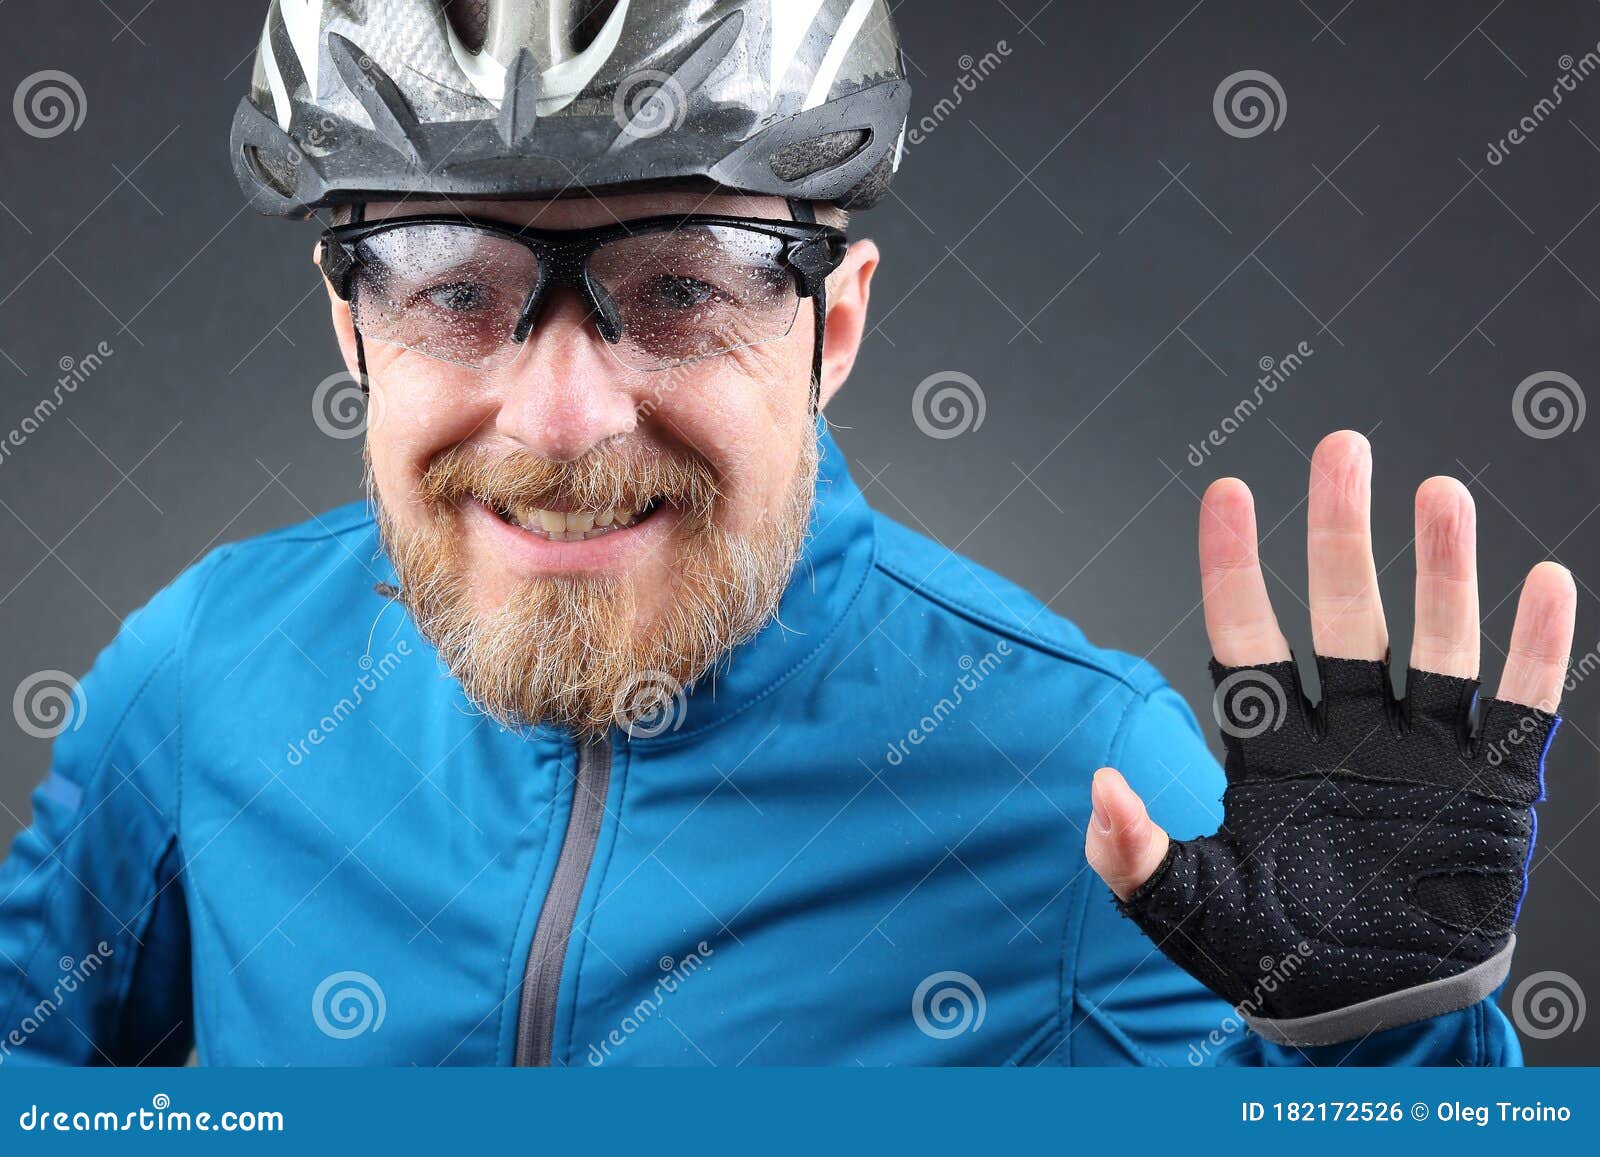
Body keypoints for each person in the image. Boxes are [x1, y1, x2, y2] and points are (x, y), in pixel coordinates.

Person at [0, 0, 1574, 1067]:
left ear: (833, 331)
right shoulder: (203, 671)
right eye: (448, 284)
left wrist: (1394, 1039)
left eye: (681, 285)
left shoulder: (1088, 784)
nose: (561, 421)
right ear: (354, 335)